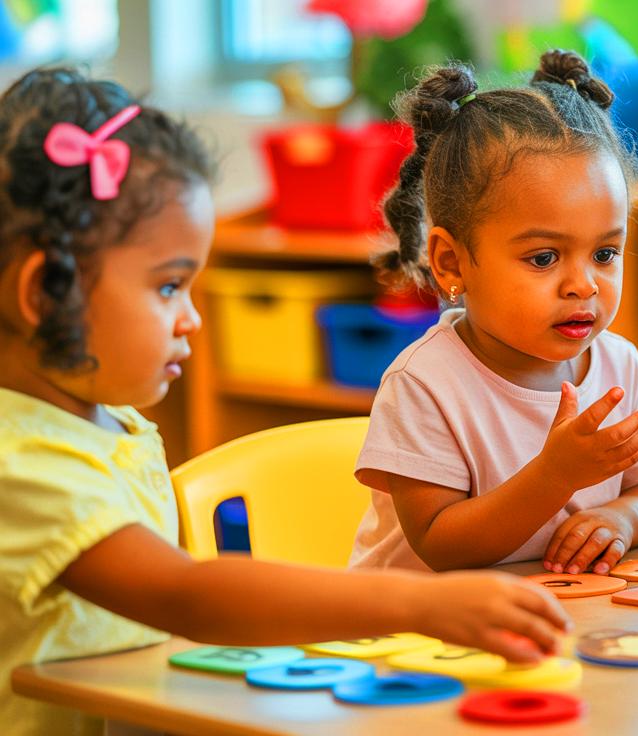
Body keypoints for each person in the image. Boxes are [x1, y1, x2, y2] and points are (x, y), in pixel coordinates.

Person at [0, 68, 569, 736]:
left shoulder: (105, 423)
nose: (191, 320)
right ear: (44, 294)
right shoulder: (21, 465)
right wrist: (420, 602)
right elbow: (185, 594)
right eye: (168, 288)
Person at [349, 50, 638, 576]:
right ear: (452, 262)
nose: (583, 285)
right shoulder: (425, 383)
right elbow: (439, 544)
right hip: (412, 632)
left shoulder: (619, 366)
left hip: (545, 619)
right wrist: (555, 475)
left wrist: (623, 518)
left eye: (605, 253)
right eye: (544, 258)